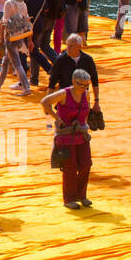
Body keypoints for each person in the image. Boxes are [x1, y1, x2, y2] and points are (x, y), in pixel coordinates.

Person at [41, 68, 94, 209]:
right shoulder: (64, 93)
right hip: (66, 136)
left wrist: (84, 123)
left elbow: (87, 109)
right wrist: (57, 118)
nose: (84, 88)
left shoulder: (86, 94)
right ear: (73, 81)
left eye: (86, 85)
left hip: (81, 135)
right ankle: (69, 199)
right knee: (69, 168)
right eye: (81, 85)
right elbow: (45, 102)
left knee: (86, 164)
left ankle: (82, 195)